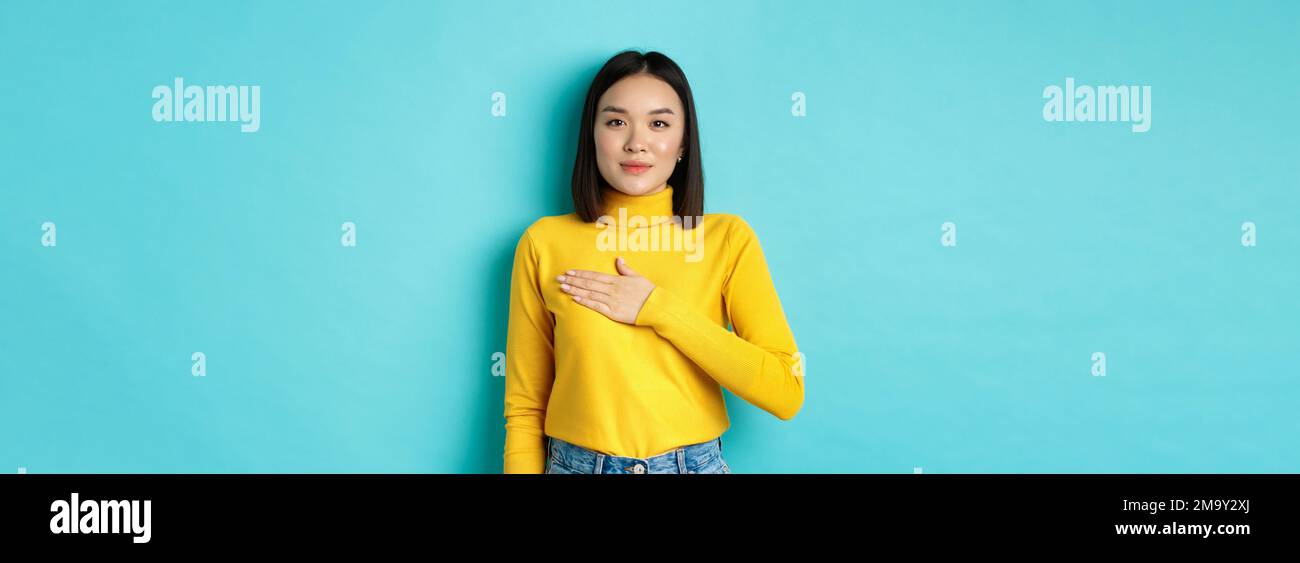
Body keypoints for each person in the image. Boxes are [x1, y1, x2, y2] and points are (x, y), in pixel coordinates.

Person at [503, 49, 803, 474]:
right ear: (592, 134)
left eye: (659, 123)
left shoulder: (727, 239)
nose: (636, 142)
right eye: (616, 121)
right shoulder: (543, 242)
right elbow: (526, 406)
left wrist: (658, 309)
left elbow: (785, 390)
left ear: (683, 143)